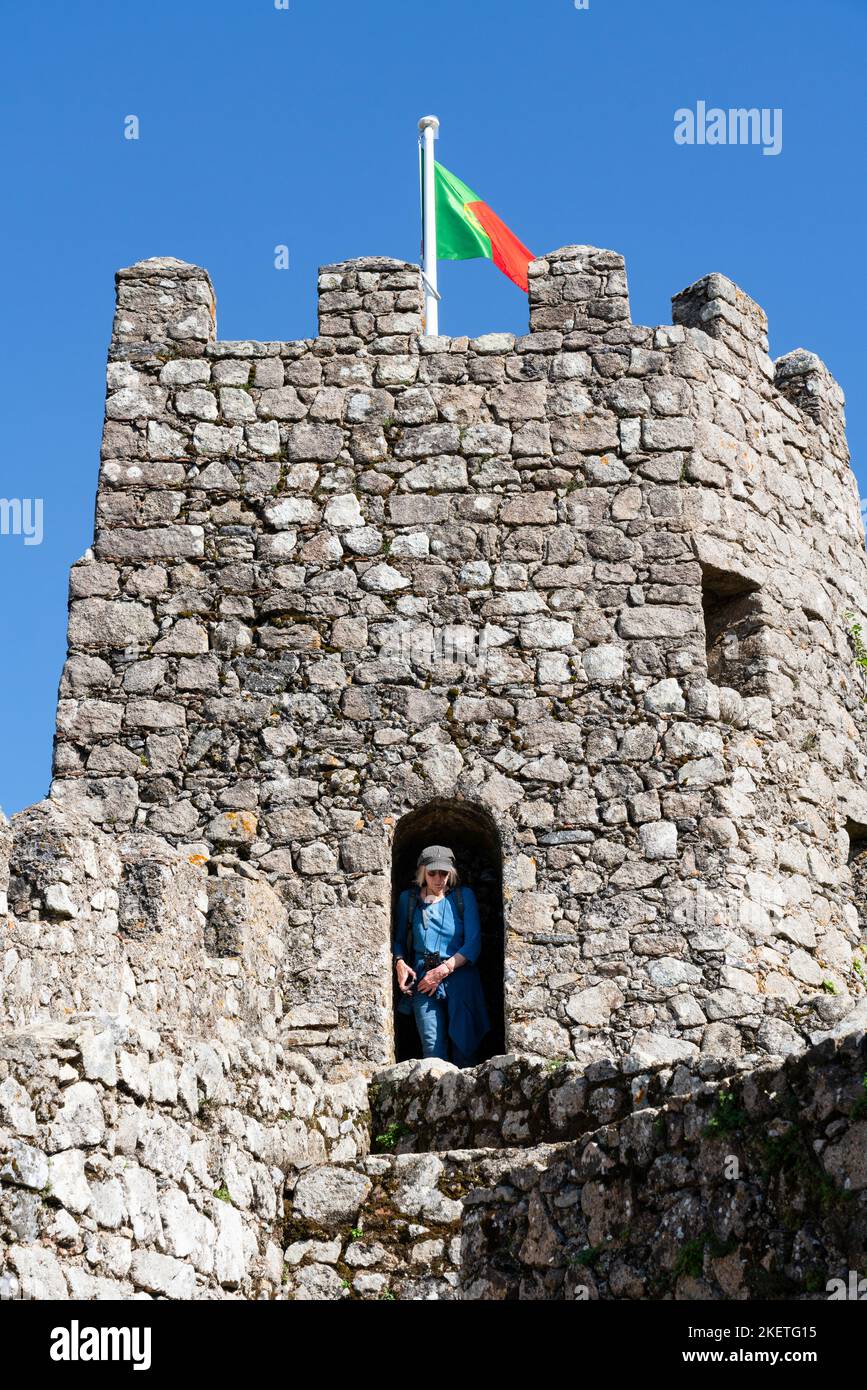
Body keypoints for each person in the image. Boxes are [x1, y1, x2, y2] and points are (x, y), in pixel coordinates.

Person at [393, 844, 490, 1068]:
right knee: (432, 1054)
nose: (439, 879)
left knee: (465, 1051)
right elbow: (398, 939)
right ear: (422, 873)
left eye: (444, 873)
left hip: (461, 979)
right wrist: (399, 962)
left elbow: (473, 943)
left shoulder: (463, 897)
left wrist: (442, 970)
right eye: (432, 873)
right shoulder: (407, 901)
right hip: (424, 983)